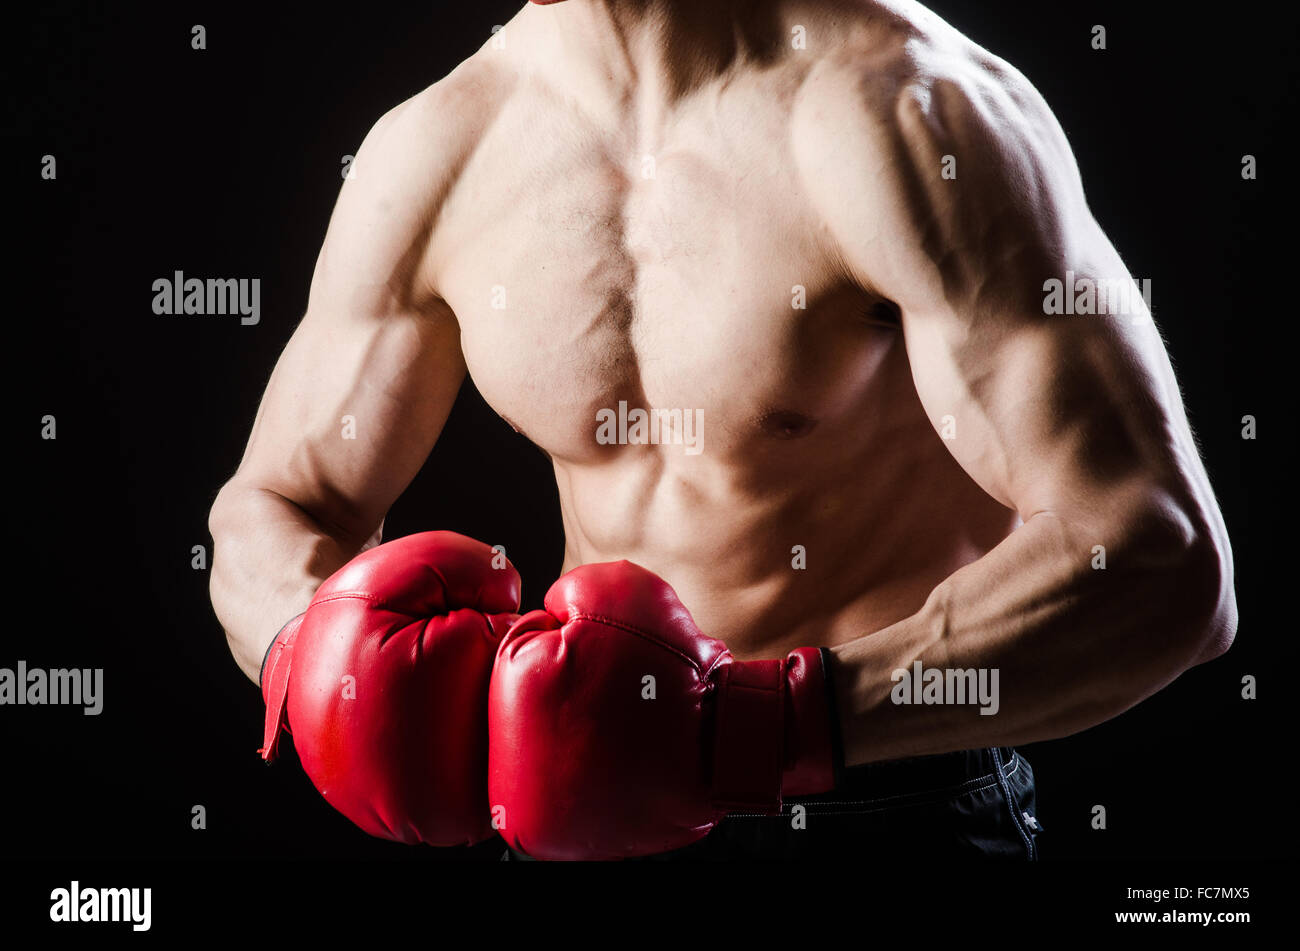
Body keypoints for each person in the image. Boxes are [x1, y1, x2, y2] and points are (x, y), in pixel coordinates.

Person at [209, 0, 1237, 861]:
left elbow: (1160, 562)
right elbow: (275, 506)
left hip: (884, 811)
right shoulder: (442, 148)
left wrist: (758, 729)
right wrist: (319, 661)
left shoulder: (907, 113)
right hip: (575, 819)